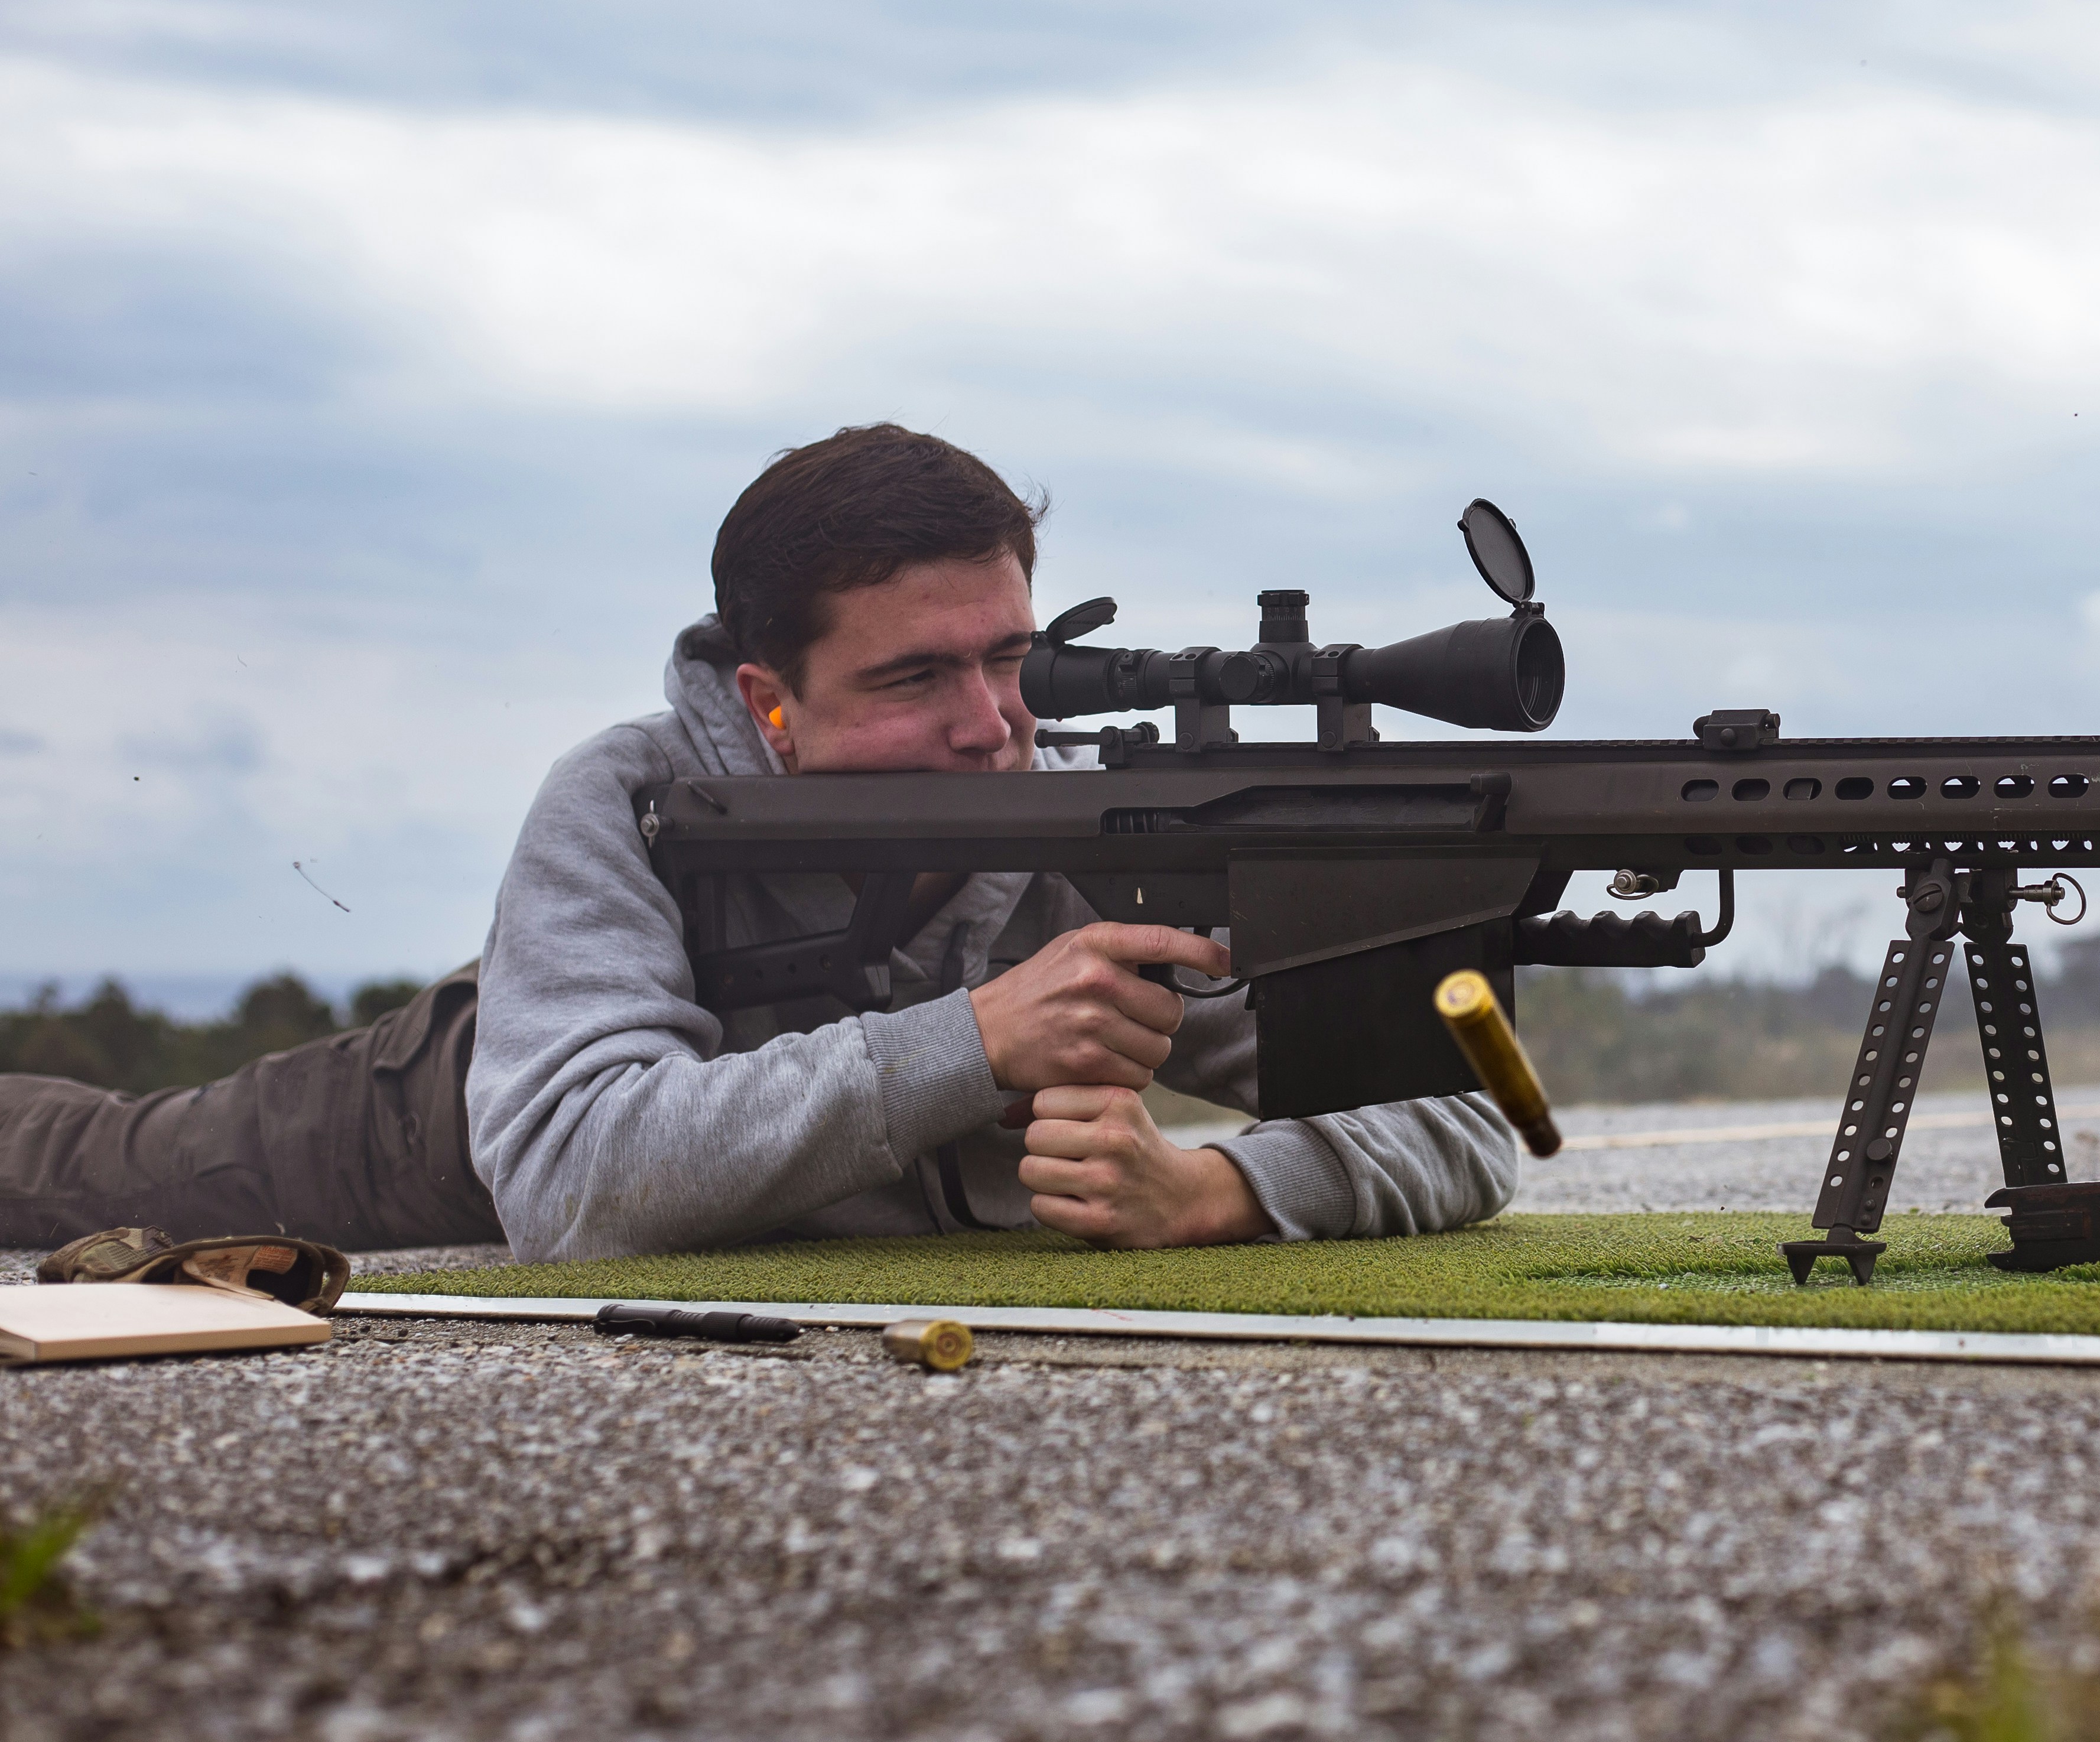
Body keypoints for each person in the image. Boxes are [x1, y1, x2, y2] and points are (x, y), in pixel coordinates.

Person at [1, 425, 1514, 1259]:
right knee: (86, 1167)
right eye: (915, 678)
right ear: (768, 700)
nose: (991, 724)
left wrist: (1218, 1193)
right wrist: (976, 1041)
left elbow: (1471, 1118)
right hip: (434, 1122)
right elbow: (572, 1184)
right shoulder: (627, 797)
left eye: (1013, 659)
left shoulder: (1101, 831)